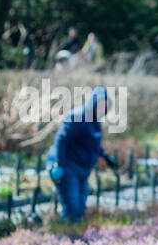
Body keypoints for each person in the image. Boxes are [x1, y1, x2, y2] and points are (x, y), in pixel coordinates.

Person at [45, 86, 118, 224]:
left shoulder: (95, 122)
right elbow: (61, 140)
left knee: (80, 206)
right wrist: (58, 164)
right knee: (72, 206)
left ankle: (75, 235)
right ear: (93, 104)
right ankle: (66, 237)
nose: (102, 110)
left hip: (83, 170)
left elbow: (93, 145)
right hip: (68, 167)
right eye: (100, 106)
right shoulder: (77, 117)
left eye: (105, 107)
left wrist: (106, 157)